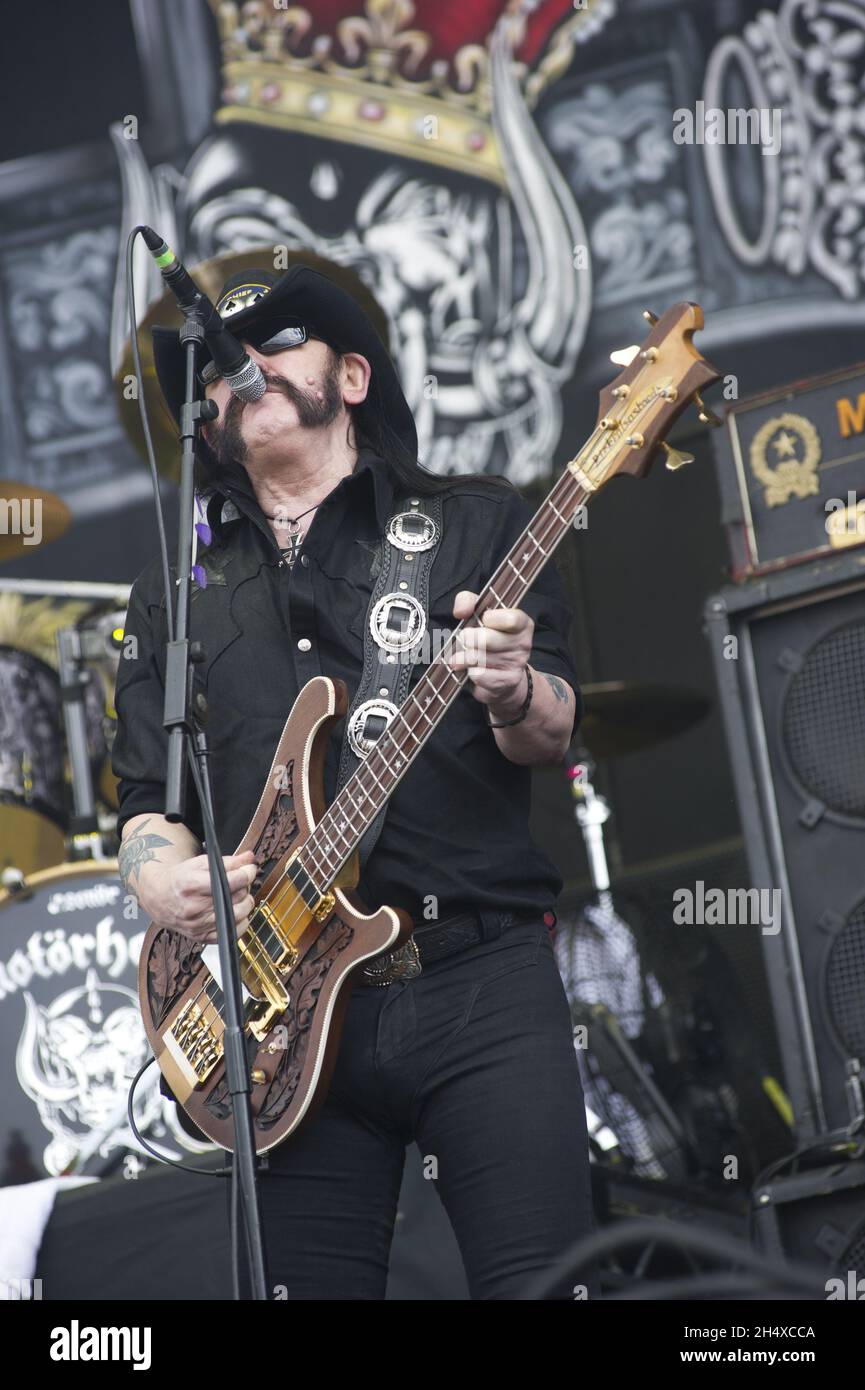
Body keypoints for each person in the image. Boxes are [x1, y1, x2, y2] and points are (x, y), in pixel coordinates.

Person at [113, 263, 595, 1300]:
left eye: (279, 342)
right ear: (203, 421)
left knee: (547, 1284)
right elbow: (144, 809)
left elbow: (550, 732)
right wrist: (155, 876)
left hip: (474, 977)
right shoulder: (174, 597)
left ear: (355, 377)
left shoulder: (473, 524)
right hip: (278, 1026)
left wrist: (512, 689)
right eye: (222, 367)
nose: (248, 371)